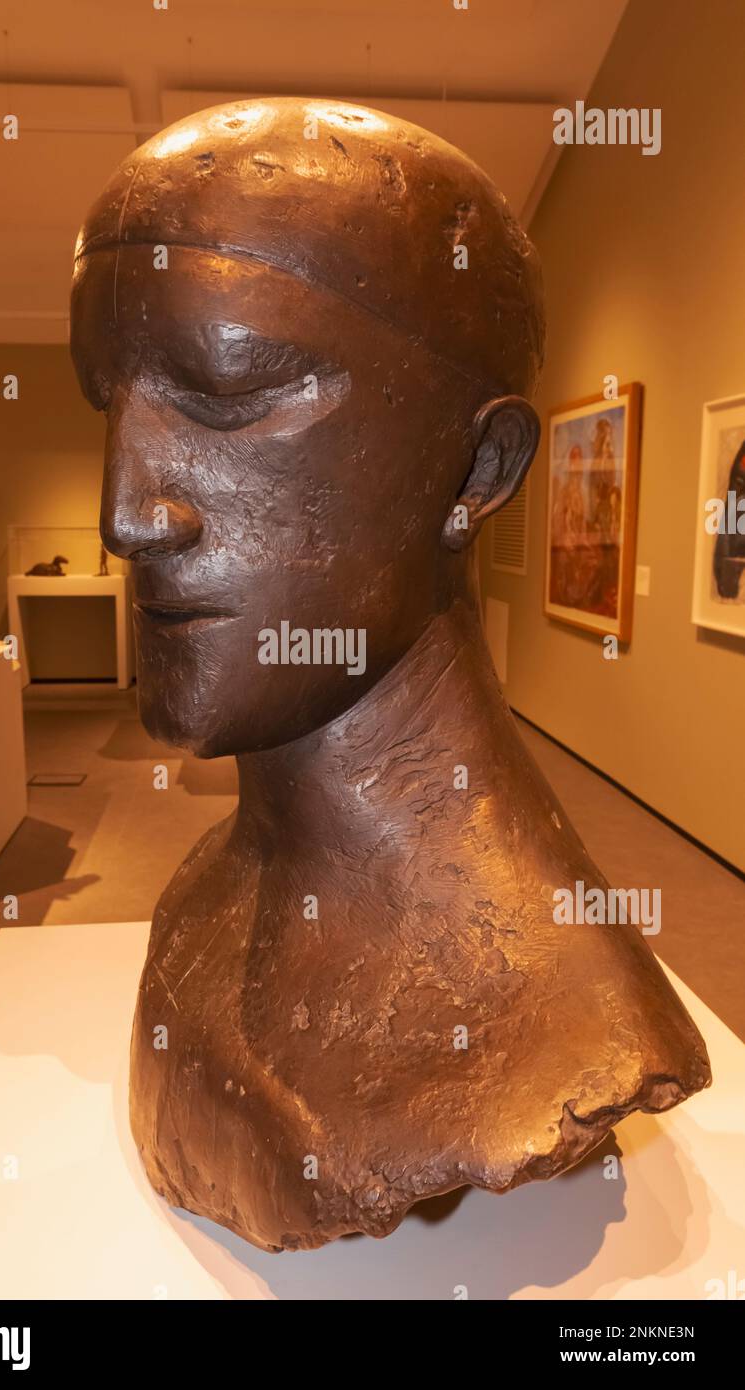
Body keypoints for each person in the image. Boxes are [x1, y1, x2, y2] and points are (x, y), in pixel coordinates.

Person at [71, 98, 709, 1252]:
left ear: (477, 467)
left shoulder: (551, 1022)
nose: (124, 513)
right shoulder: (198, 902)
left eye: (227, 397)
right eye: (104, 404)